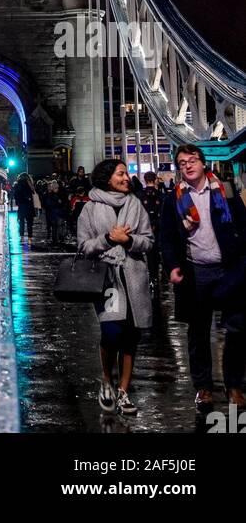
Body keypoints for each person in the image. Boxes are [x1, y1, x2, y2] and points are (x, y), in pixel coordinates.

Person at [159, 143, 246, 413]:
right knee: (198, 334)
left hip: (229, 270)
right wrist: (172, 266)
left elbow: (243, 226)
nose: (187, 165)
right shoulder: (173, 198)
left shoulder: (226, 191)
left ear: (203, 162)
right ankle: (204, 388)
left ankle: (234, 385)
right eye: (182, 162)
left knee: (237, 330)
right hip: (195, 273)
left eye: (192, 159)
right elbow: (168, 237)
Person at [78, 158, 155, 417]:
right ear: (107, 177)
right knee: (111, 332)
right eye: (121, 174)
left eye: (126, 174)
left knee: (131, 336)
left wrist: (130, 239)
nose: (126, 178)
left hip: (133, 276)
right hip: (107, 279)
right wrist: (109, 239)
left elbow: (148, 242)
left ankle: (123, 391)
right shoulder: (90, 209)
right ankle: (106, 380)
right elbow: (84, 247)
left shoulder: (136, 205)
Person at [43, 174, 67, 248]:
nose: (57, 189)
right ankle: (55, 240)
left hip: (57, 213)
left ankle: (59, 239)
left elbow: (63, 202)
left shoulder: (58, 194)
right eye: (56, 188)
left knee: (58, 226)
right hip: (53, 213)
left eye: (57, 188)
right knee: (55, 226)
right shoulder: (50, 195)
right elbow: (48, 204)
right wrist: (58, 203)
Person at [13, 173, 36, 247]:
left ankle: (22, 237)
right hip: (29, 205)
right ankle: (30, 237)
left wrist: (18, 202)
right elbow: (33, 193)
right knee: (29, 223)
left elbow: (15, 195)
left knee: (21, 222)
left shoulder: (17, 184)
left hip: (22, 206)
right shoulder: (30, 184)